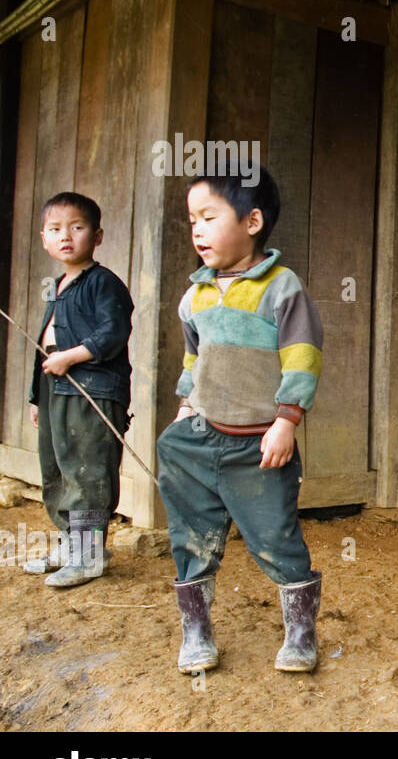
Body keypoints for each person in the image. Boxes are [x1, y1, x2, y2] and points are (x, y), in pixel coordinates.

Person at [156, 163, 324, 674]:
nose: (198, 230)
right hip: (200, 437)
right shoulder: (195, 296)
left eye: (209, 217)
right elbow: (193, 362)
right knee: (191, 535)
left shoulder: (281, 287)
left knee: (275, 536)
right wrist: (185, 408)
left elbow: (302, 355)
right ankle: (196, 632)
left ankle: (300, 631)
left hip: (259, 444)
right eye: (192, 221)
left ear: (251, 222)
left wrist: (287, 420)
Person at [25, 192, 133, 587]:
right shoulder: (58, 285)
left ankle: (88, 555)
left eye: (77, 227)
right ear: (43, 238)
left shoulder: (103, 283)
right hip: (56, 388)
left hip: (92, 388)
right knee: (56, 465)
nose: (65, 236)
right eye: (55, 229)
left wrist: (70, 358)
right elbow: (44, 341)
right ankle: (72, 546)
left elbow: (113, 332)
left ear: (97, 235)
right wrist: (37, 397)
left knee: (87, 468)